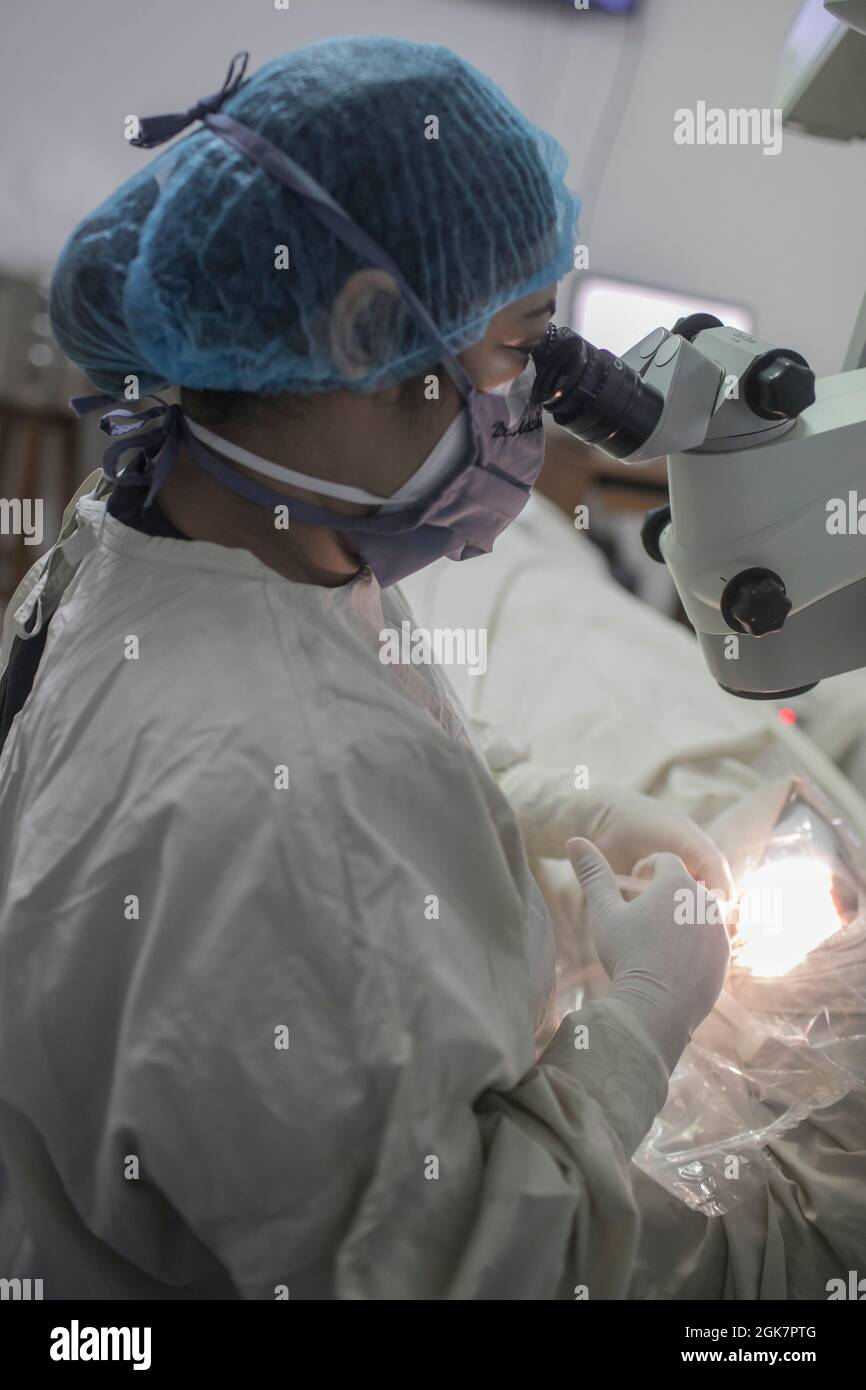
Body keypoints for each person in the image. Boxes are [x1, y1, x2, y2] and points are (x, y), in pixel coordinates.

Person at [0, 37, 730, 1300]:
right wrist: (641, 1020)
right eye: (517, 353)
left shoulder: (170, 531)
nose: (532, 412)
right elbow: (480, 1271)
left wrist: (551, 820)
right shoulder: (288, 785)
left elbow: (358, 739)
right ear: (365, 335)